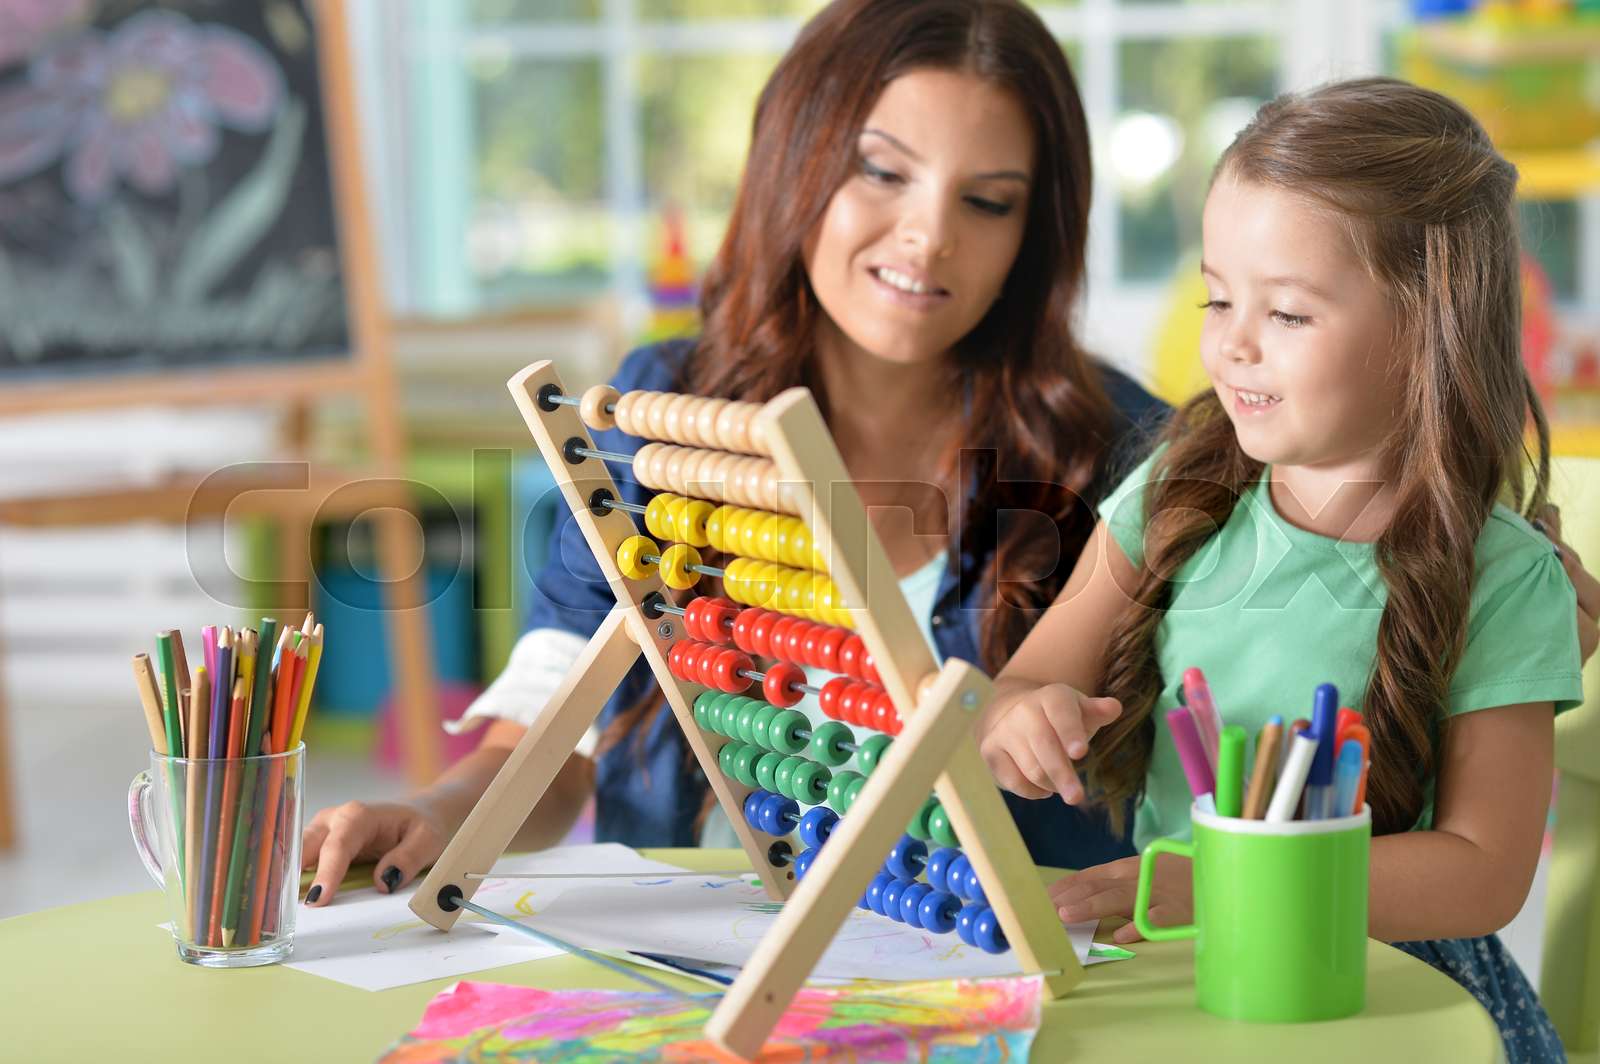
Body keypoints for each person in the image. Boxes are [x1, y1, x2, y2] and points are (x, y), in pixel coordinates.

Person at [300, 0, 1169, 906]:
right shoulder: (662, 413)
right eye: (882, 171)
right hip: (707, 954)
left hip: (1004, 964)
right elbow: (549, 738)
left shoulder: (1120, 449)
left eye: (988, 201)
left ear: (1034, 233)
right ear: (798, 161)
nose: (929, 236)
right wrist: (440, 812)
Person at [978, 78, 1596, 1063]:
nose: (1230, 341)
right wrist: (1020, 716)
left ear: (1424, 325)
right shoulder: (1175, 492)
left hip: (1382, 996)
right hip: (1183, 970)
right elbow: (1021, 682)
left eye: (1290, 314)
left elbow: (1482, 871)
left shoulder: (1505, 577)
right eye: (1218, 296)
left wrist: (1222, 883)